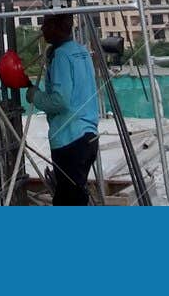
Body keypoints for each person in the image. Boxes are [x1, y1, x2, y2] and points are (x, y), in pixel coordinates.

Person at [24, 12, 100, 205]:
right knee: (74, 196)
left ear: (59, 26)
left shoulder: (62, 56)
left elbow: (60, 101)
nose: (42, 29)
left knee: (68, 200)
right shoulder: (81, 51)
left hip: (70, 140)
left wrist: (34, 95)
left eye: (46, 24)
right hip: (88, 136)